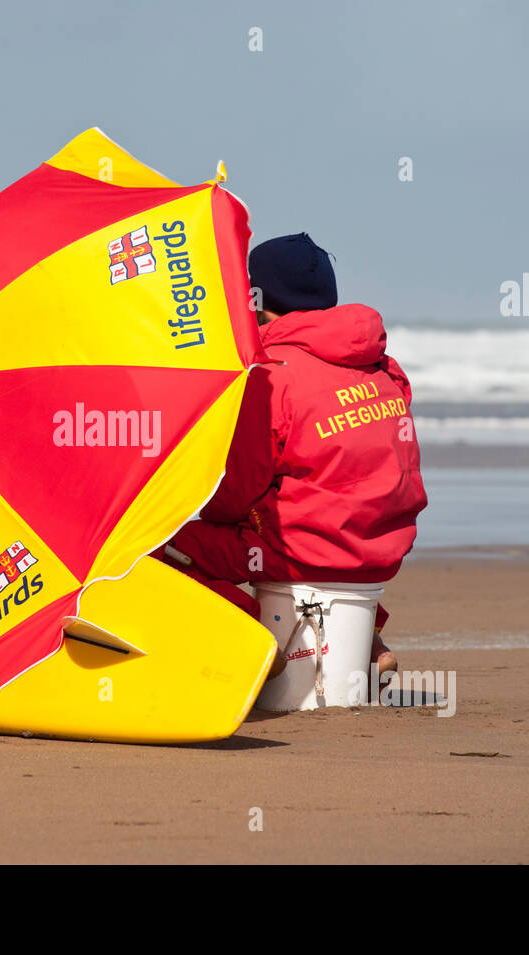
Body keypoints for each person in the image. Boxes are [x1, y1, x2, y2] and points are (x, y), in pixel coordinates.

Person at [162, 233, 427, 674]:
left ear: (256, 300)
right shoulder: (381, 366)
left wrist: (187, 501)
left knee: (159, 552)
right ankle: (367, 643)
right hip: (380, 549)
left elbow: (234, 497)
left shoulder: (272, 374)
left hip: (306, 551)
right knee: (316, 528)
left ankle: (259, 643)